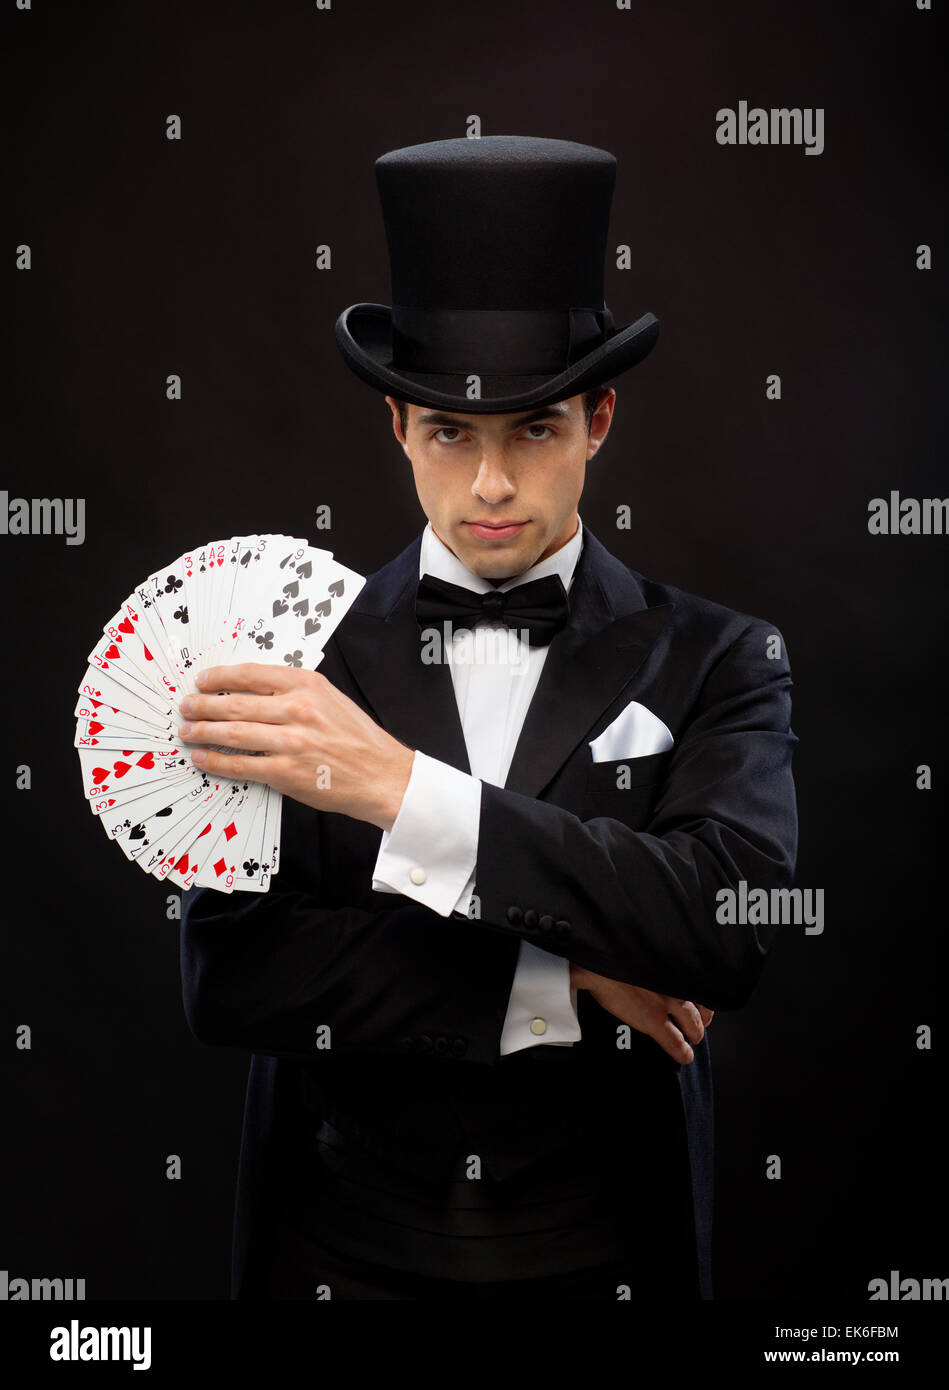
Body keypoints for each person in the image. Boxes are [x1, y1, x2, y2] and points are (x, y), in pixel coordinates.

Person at [179, 135, 798, 1301]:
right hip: (338, 1255)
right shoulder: (292, 657)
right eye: (452, 433)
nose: (492, 486)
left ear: (601, 417)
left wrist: (396, 789)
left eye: (536, 430)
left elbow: (726, 925)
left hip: (610, 1256)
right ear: (399, 427)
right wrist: (562, 977)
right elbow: (237, 977)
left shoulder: (721, 655)